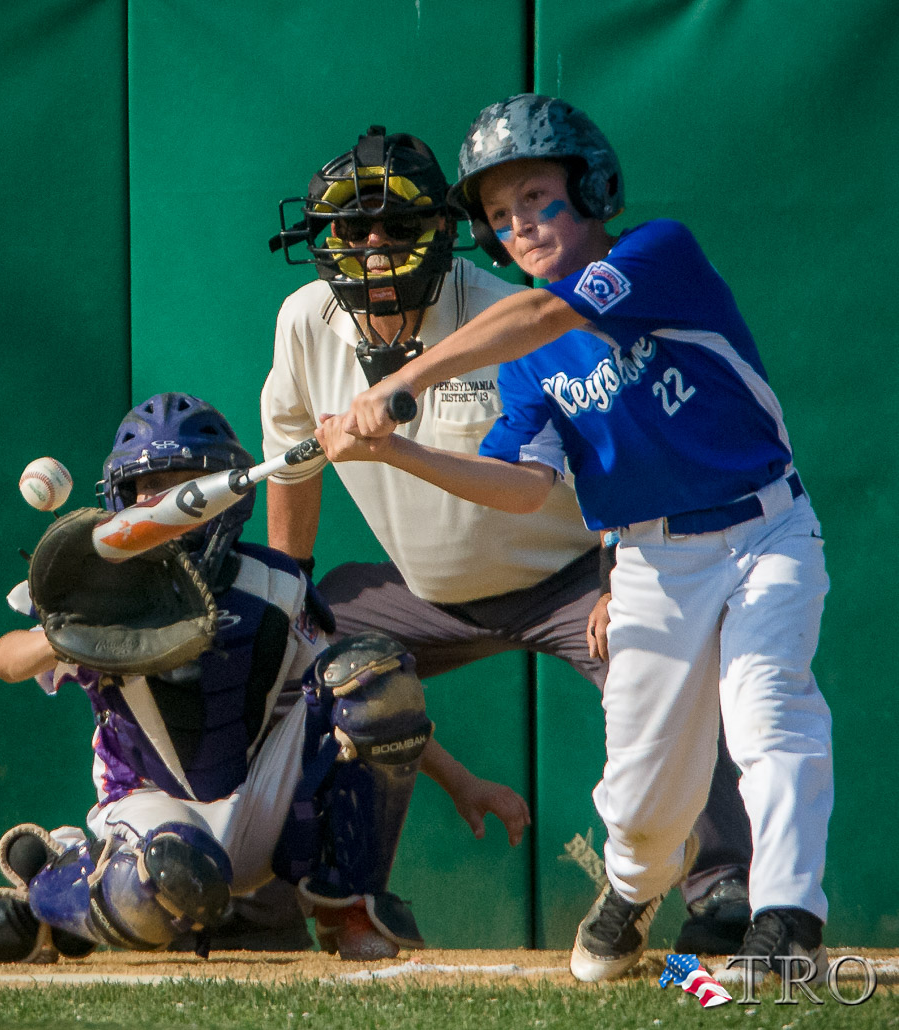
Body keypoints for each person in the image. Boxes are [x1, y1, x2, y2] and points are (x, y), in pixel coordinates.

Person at [338, 95, 833, 983]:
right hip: (651, 559)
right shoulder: (522, 361)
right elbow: (523, 489)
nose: (519, 224)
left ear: (589, 186)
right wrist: (397, 449)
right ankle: (631, 886)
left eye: (536, 197)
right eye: (498, 215)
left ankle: (787, 916)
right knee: (643, 789)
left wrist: (404, 379)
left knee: (768, 709)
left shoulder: (654, 255)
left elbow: (547, 317)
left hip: (768, 531)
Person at [262, 126, 755, 954]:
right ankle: (331, 898)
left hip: (570, 575)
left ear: (444, 233)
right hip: (422, 590)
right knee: (283, 657)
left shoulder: (514, 316)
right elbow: (291, 467)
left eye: (395, 226)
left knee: (664, 664)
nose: (373, 247)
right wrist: (289, 588)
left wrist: (617, 574)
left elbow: (611, 448)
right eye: (353, 229)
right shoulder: (306, 320)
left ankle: (721, 892)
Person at [0, 392, 502, 964]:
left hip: (256, 802)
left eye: (184, 481)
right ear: (121, 499)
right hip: (149, 804)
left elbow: (361, 695)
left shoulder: (272, 583)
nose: (165, 501)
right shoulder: (93, 586)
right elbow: (3, 659)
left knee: (370, 666)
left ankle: (347, 907)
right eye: (149, 488)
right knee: (175, 880)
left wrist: (462, 782)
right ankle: (58, 885)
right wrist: (63, 636)